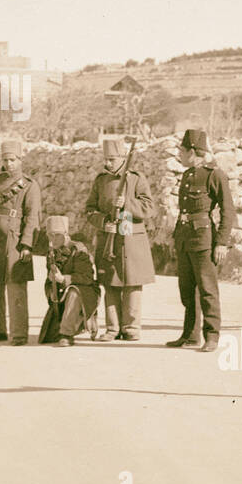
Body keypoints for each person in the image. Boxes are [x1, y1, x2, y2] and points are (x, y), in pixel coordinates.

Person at [167, 129, 234, 352]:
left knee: (207, 290)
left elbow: (227, 210)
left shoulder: (214, 174)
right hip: (185, 238)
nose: (179, 154)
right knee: (187, 289)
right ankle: (190, 335)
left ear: (194, 152)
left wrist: (222, 242)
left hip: (203, 239)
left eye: (182, 151)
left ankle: (212, 335)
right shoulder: (187, 175)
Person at [85, 138, 155, 341]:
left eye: (112, 159)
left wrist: (127, 203)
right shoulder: (100, 181)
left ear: (123, 158)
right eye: (106, 159)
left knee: (133, 284)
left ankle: (131, 328)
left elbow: (149, 208)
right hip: (110, 238)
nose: (107, 163)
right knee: (110, 283)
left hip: (132, 239)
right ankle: (113, 329)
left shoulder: (136, 179)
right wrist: (103, 221)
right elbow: (90, 210)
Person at [0, 139, 41, 345]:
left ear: (20, 160)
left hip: (15, 240)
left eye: (12, 160)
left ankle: (19, 333)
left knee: (16, 288)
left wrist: (27, 245)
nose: (9, 164)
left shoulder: (30, 186)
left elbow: (32, 217)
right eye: (5, 160)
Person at [40, 216, 101, 347]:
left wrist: (64, 279)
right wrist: (51, 282)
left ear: (66, 235)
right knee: (46, 336)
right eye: (50, 235)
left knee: (74, 291)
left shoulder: (79, 250)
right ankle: (67, 325)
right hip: (62, 294)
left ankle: (66, 334)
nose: (53, 239)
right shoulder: (51, 254)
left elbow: (87, 278)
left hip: (85, 292)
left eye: (57, 235)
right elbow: (49, 283)